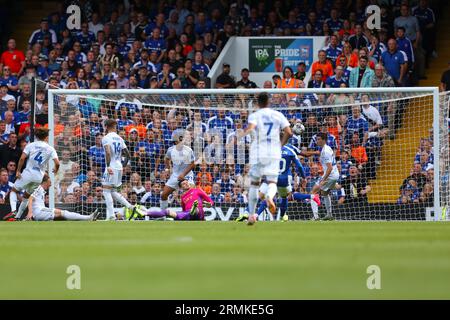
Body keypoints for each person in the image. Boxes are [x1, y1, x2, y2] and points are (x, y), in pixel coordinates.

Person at [237, 92, 292, 225]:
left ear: (258, 103)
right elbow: (289, 132)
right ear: (269, 102)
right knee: (272, 182)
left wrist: (242, 133)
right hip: (273, 151)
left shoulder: (255, 115)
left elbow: (251, 128)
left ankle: (251, 216)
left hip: (258, 152)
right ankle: (269, 196)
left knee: (255, 184)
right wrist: (280, 145)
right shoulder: (278, 115)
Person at [5, 128, 60, 221]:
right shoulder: (50, 148)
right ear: (46, 137)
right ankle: (18, 217)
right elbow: (57, 163)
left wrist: (18, 171)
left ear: (36, 136)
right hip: (39, 177)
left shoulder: (31, 145)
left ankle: (13, 210)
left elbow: (22, 159)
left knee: (14, 191)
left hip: (28, 173)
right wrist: (56, 169)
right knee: (26, 195)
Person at [289, 132, 340, 220]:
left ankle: (316, 216)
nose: (317, 141)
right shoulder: (326, 148)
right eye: (316, 139)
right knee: (325, 193)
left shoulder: (325, 151)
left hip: (330, 175)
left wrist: (323, 179)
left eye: (319, 139)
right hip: (335, 175)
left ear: (324, 140)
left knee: (313, 192)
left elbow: (329, 168)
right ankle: (329, 215)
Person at [102, 119, 139, 220]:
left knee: (106, 191)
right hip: (119, 167)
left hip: (111, 166)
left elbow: (108, 152)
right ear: (114, 126)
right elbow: (127, 154)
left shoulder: (106, 138)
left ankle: (111, 216)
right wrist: (123, 165)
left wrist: (108, 166)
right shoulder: (119, 138)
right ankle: (130, 207)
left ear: (106, 126)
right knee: (113, 191)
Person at [25, 174, 100, 221]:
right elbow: (30, 199)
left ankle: (88, 217)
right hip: (39, 212)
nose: (50, 185)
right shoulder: (39, 188)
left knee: (63, 214)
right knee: (63, 213)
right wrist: (30, 213)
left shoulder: (41, 190)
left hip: (41, 211)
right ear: (45, 182)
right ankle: (88, 218)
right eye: (50, 182)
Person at [133, 179, 213, 221]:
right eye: (184, 184)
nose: (186, 184)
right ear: (181, 188)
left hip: (199, 213)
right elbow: (184, 210)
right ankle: (144, 213)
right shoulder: (183, 197)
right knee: (167, 212)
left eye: (187, 182)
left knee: (196, 210)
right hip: (188, 214)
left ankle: (193, 210)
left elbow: (210, 201)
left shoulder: (197, 190)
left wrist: (208, 204)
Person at [160, 129, 196, 213]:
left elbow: (192, 164)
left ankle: (190, 214)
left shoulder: (188, 150)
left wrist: (183, 174)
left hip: (187, 175)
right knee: (164, 195)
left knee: (191, 193)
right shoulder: (170, 150)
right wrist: (168, 169)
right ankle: (163, 214)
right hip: (175, 175)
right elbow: (166, 159)